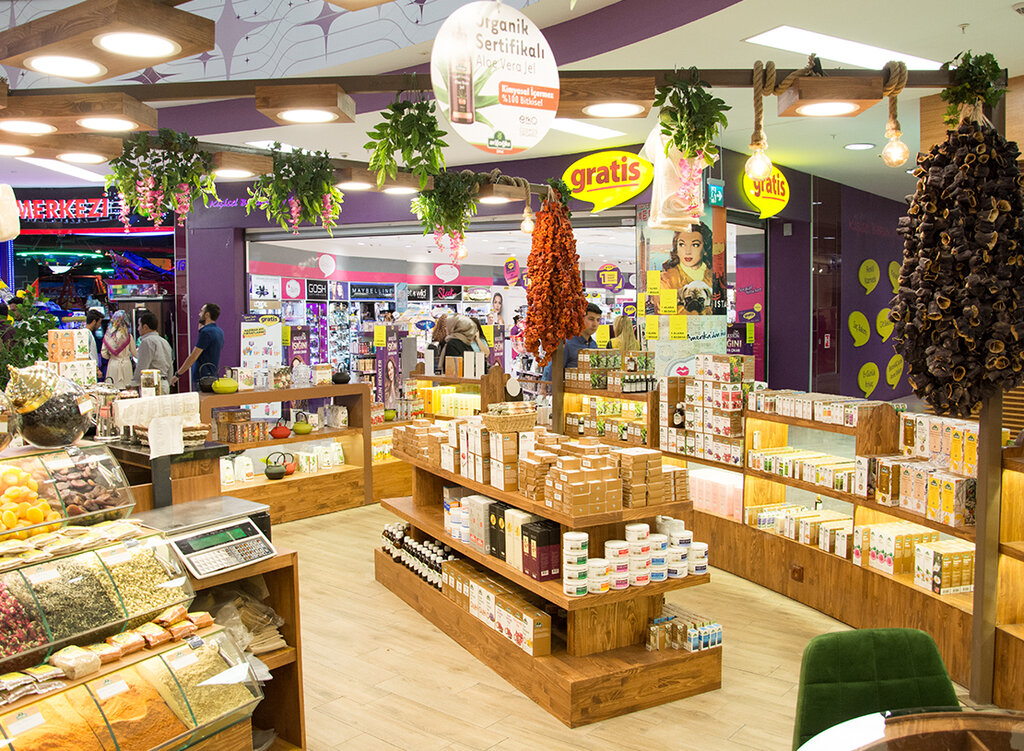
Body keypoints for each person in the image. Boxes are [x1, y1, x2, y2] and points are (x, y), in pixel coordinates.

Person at [542, 303, 602, 380]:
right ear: (580, 319)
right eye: (591, 319)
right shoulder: (566, 344)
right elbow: (551, 375)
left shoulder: (594, 345)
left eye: (598, 320)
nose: (595, 324)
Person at [172, 303, 223, 389]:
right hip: (213, 375)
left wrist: (178, 374)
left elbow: (193, 357)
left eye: (201, 311)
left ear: (207, 314)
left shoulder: (206, 332)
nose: (199, 314)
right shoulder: (219, 331)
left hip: (202, 377)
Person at [660, 222, 715, 290]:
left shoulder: (715, 274)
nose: (687, 252)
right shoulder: (666, 279)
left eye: (695, 245)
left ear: (705, 249)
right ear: (676, 248)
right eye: (682, 244)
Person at [130, 311, 174, 392]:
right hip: (164, 384)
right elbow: (170, 366)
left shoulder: (146, 342)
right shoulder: (164, 341)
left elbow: (142, 366)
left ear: (145, 327)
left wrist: (133, 385)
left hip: (151, 385)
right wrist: (168, 382)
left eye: (139, 325)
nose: (138, 329)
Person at [101, 310, 135, 389]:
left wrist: (112, 357)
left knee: (112, 389)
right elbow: (134, 353)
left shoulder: (108, 336)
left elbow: (104, 354)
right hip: (126, 365)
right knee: (127, 390)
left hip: (113, 364)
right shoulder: (128, 336)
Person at [84, 309, 103, 380]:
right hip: (89, 369)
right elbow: (89, 354)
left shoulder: (88, 333)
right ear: (94, 321)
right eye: (99, 323)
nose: (100, 325)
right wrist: (96, 369)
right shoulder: (86, 334)